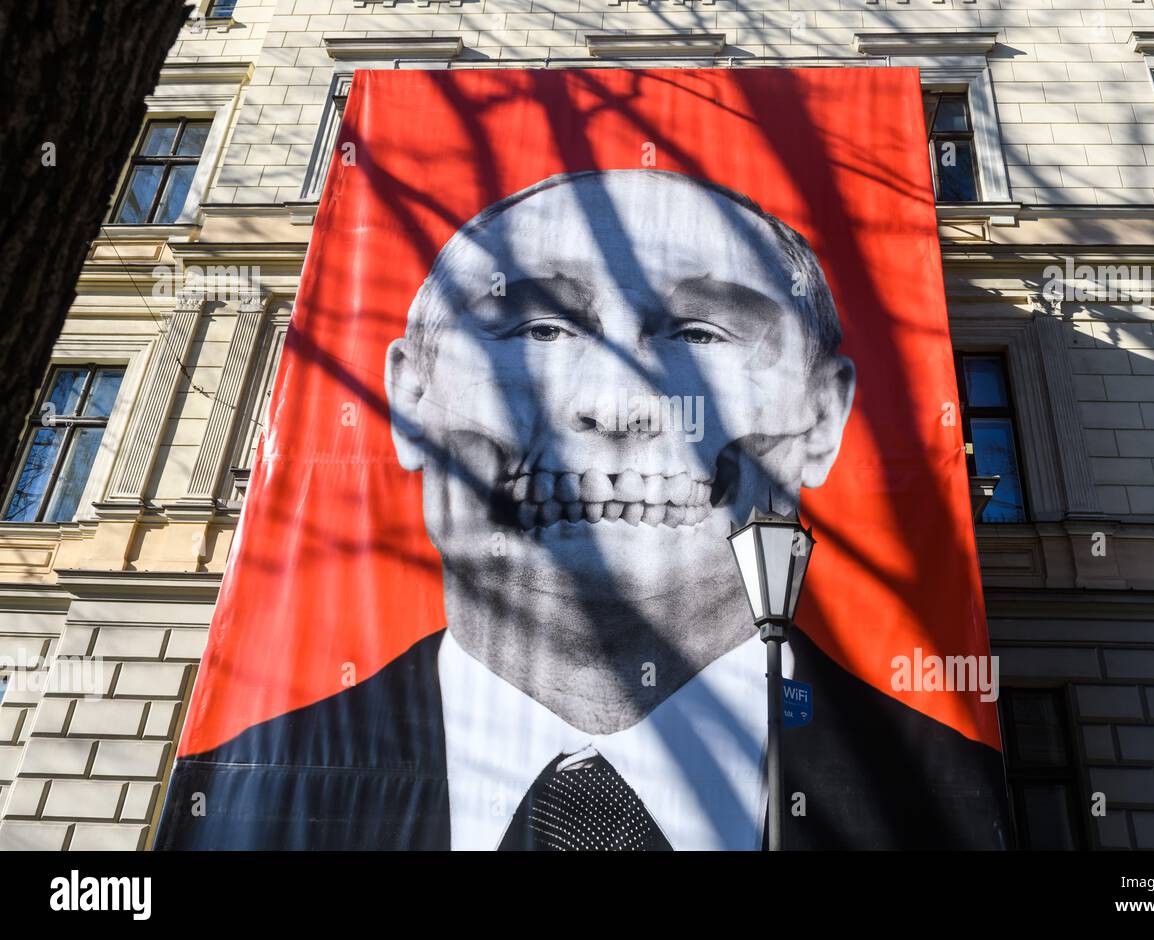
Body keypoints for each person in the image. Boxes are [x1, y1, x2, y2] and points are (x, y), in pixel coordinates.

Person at [157, 170, 1008, 850]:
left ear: (822, 418)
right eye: (535, 329)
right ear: (409, 396)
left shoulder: (950, 793)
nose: (616, 403)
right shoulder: (234, 783)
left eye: (701, 336)